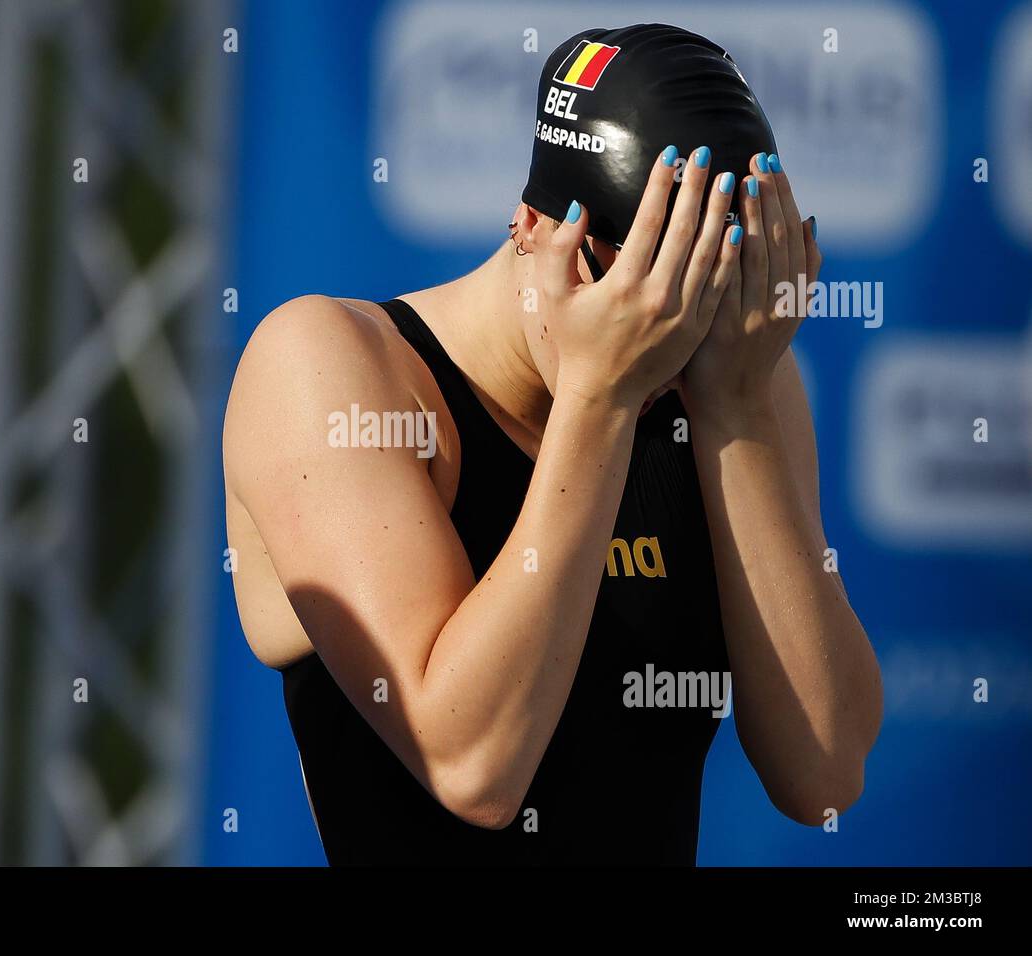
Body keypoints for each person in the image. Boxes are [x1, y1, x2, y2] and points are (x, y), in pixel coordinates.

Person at [222, 24, 882, 865]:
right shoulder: (330, 368)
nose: (672, 344)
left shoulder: (731, 375)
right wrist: (600, 395)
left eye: (709, 295)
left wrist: (742, 409)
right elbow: (473, 766)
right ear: (533, 225)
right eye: (645, 292)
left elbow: (824, 776)